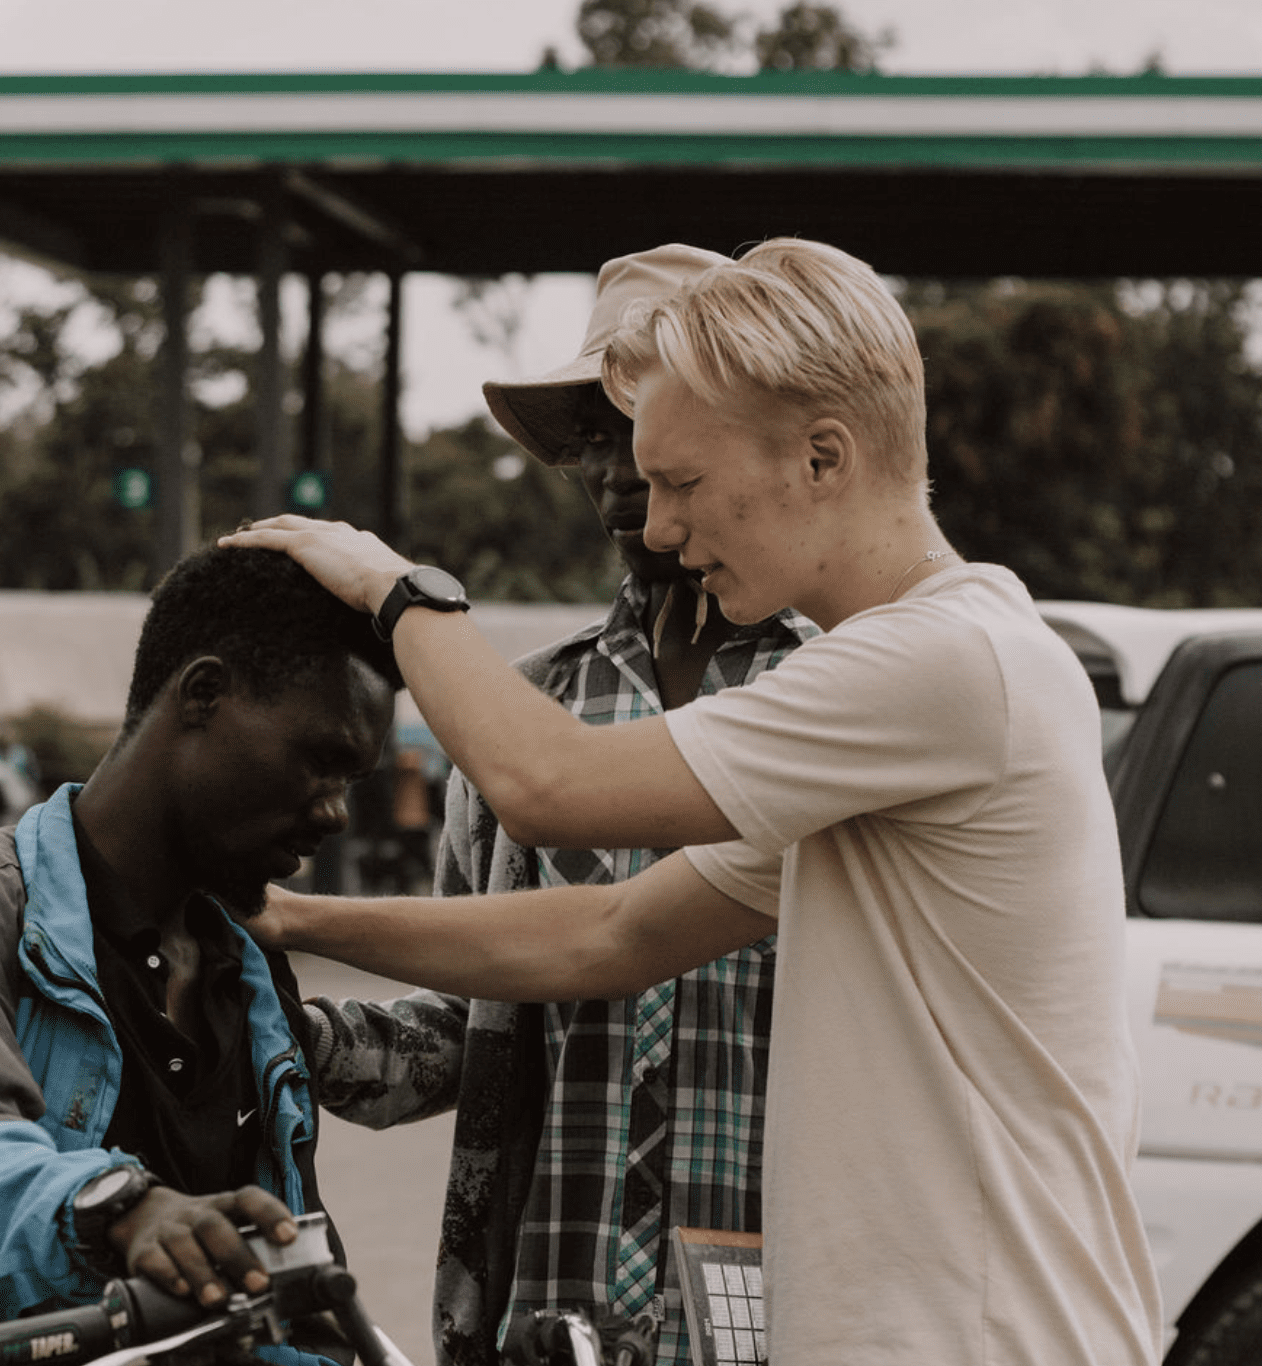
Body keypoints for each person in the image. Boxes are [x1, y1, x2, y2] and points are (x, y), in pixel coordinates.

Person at [226, 238, 1162, 1364]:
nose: (655, 524)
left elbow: (548, 787)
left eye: (683, 482)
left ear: (822, 459)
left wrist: (396, 590)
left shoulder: (945, 664)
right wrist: (289, 920)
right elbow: (613, 932)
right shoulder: (908, 698)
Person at [297, 245, 814, 1366]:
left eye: (638, 431)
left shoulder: (834, 693)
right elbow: (453, 1035)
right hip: (542, 1314)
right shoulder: (522, 708)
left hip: (794, 1312)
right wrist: (286, 1035)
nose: (618, 472)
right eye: (590, 438)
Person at [0, 546, 401, 1366]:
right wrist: (123, 1210)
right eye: (321, 759)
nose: (336, 813)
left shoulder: (249, 974)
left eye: (355, 780)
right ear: (203, 694)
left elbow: (271, 1292)